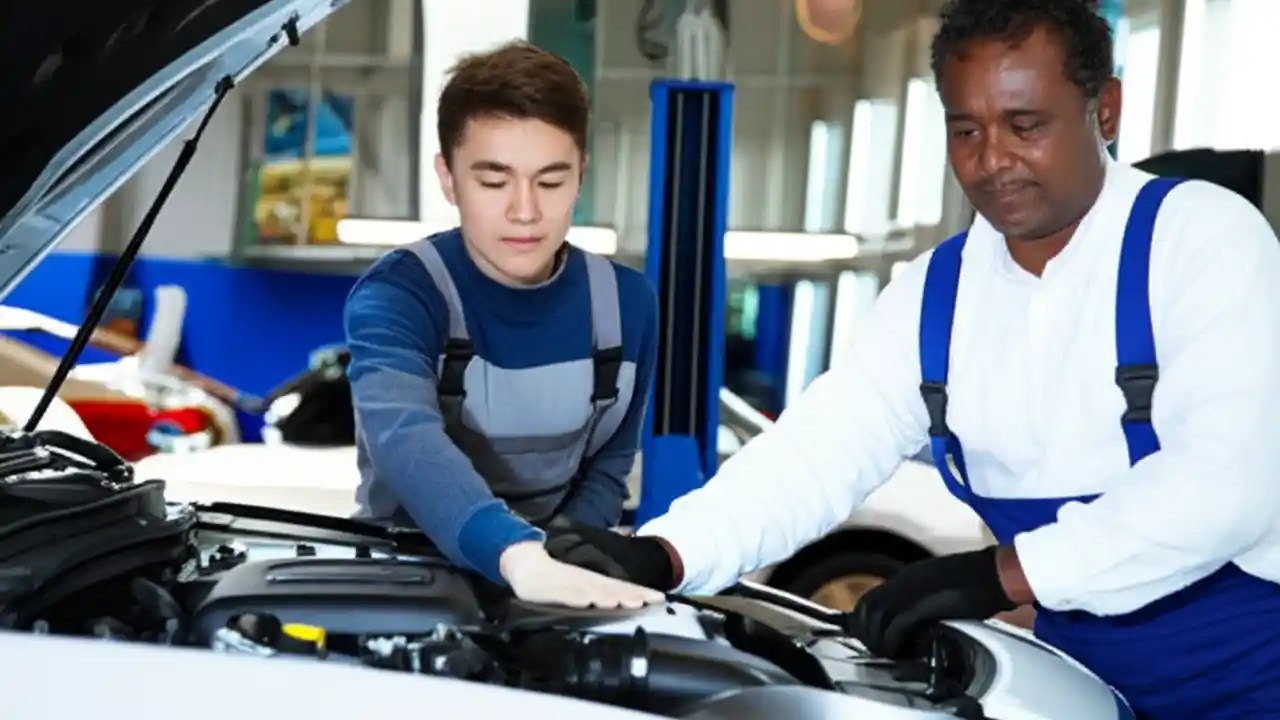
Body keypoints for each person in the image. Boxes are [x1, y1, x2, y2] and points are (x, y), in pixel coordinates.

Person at [542, 1, 1280, 716]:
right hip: (1081, 688)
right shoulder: (938, 293)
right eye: (966, 129)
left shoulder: (1201, 239)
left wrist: (1001, 574)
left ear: (1105, 110)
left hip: (1258, 677)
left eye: (1025, 125)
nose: (993, 160)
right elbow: (817, 453)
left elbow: (1226, 485)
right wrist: (666, 552)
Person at [344, 40, 662, 609]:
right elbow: (406, 440)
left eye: (551, 181)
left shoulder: (626, 306)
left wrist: (557, 569)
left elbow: (609, 467)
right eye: (494, 182)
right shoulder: (400, 295)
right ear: (448, 178)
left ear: (582, 175)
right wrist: (516, 556)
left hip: (549, 594)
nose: (525, 211)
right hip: (404, 591)